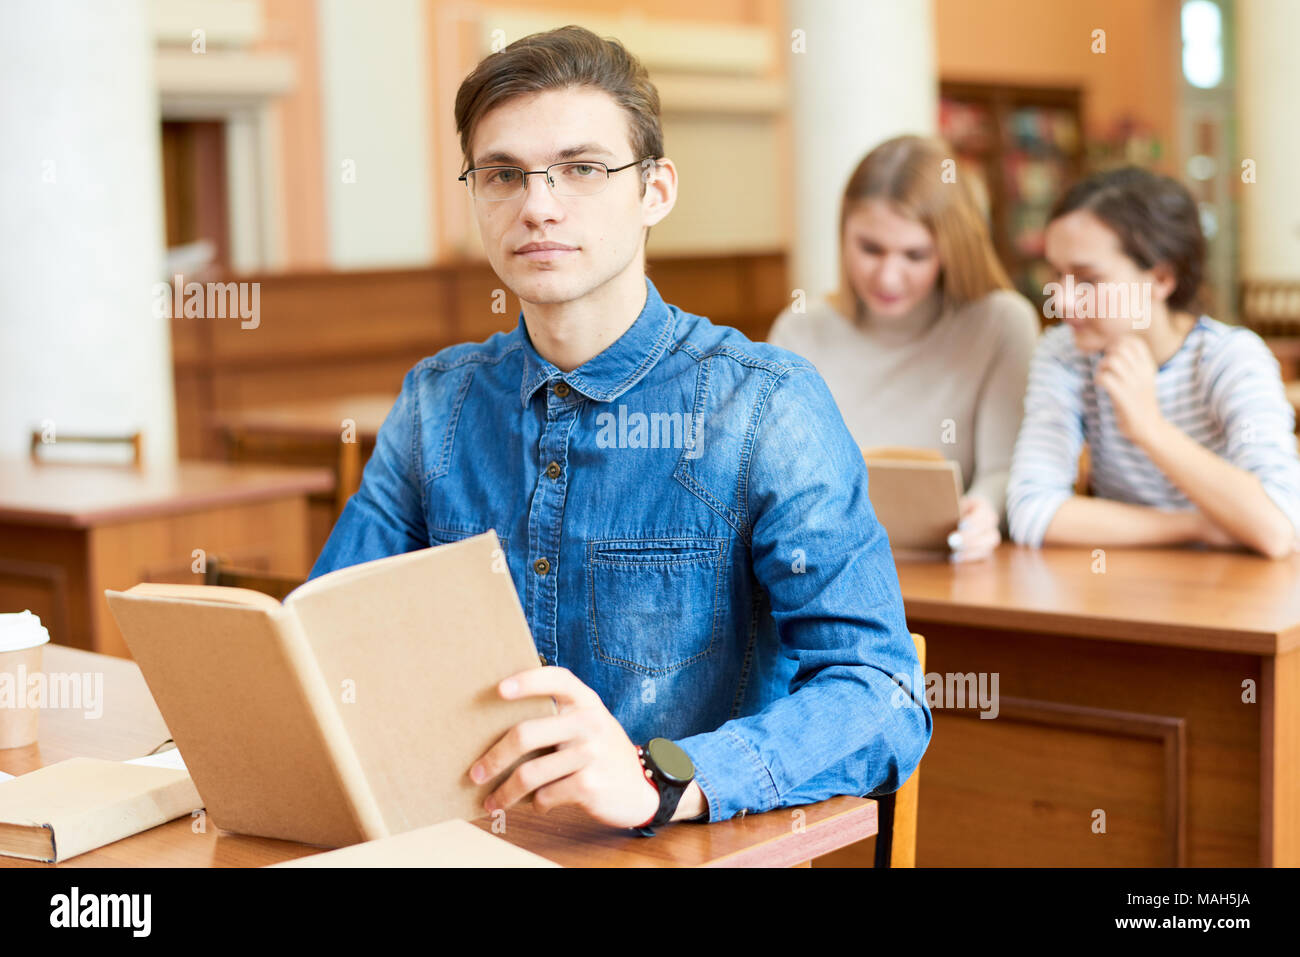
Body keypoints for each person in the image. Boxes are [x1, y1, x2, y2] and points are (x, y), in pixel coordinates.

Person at [308, 25, 930, 831]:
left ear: (656, 190)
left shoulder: (767, 406)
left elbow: (881, 693)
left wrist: (662, 780)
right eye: (503, 174)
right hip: (464, 840)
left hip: (669, 849)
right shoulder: (436, 401)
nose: (538, 204)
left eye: (582, 168)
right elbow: (324, 642)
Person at [768, 136, 1038, 562]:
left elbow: (1004, 469)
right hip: (824, 572)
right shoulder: (800, 329)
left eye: (915, 255)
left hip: (954, 572)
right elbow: (775, 475)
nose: (888, 278)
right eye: (870, 249)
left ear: (951, 251)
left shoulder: (1001, 322)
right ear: (843, 235)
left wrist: (984, 511)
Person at [1007, 166, 1300, 558]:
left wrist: (1149, 428)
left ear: (1161, 279)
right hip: (1126, 591)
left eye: (1089, 280)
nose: (1061, 301)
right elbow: (1032, 513)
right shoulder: (1065, 353)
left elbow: (1279, 526)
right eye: (1057, 275)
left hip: (1240, 602)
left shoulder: (1230, 359)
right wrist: (1199, 525)